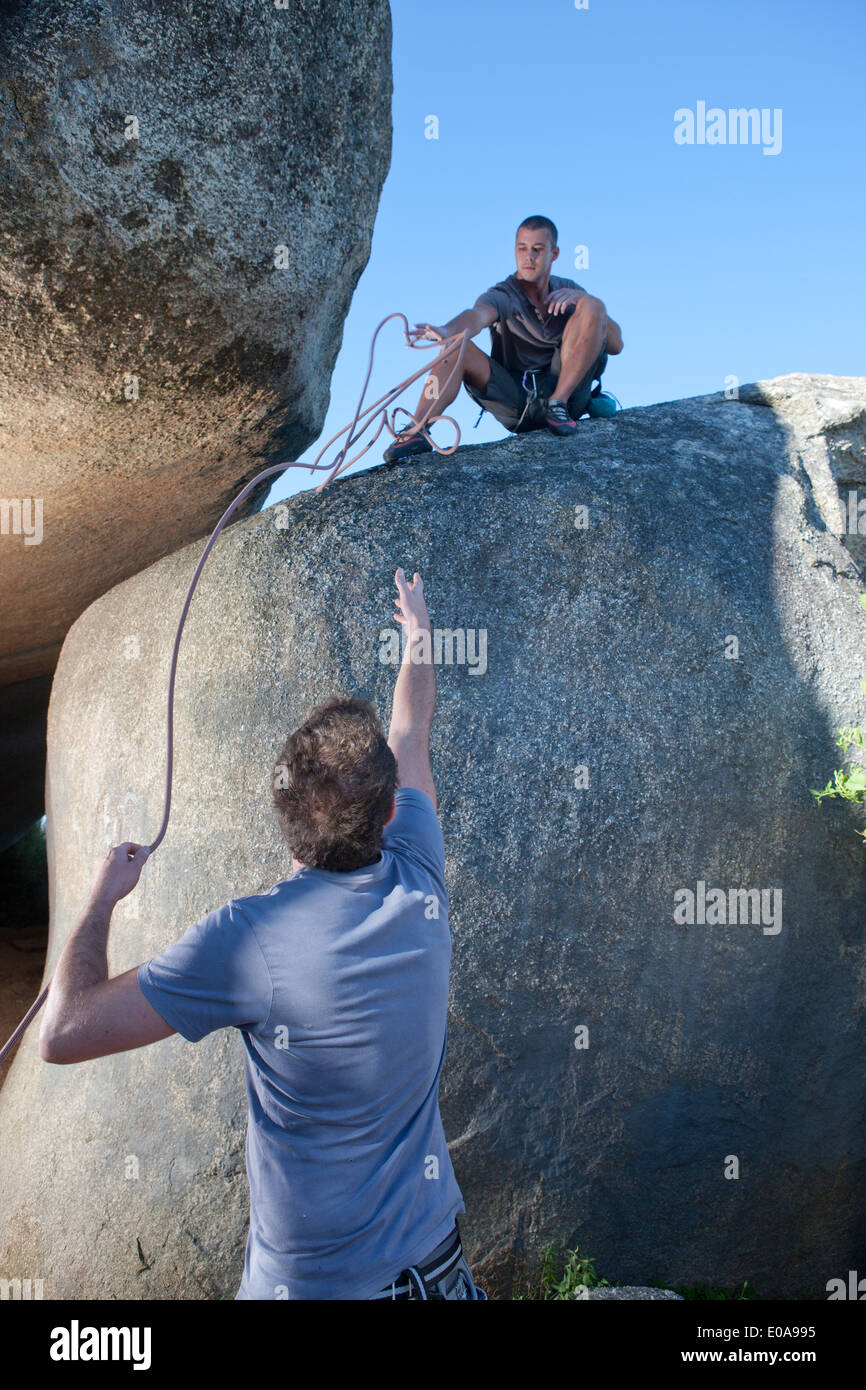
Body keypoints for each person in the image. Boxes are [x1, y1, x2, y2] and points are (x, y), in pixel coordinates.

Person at [38, 568, 486, 1301]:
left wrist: (99, 901)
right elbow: (411, 728)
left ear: (283, 816)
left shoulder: (248, 941)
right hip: (438, 1274)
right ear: (387, 816)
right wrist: (419, 636)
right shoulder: (419, 874)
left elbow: (63, 1031)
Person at [384, 214, 624, 461]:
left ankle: (557, 404)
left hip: (567, 400)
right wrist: (447, 331)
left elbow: (617, 345)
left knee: (594, 306)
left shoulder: (570, 290)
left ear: (554, 254)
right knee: (457, 346)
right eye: (522, 249)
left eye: (538, 249)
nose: (529, 256)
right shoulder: (502, 294)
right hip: (518, 401)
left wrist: (588, 302)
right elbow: (476, 317)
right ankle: (416, 430)